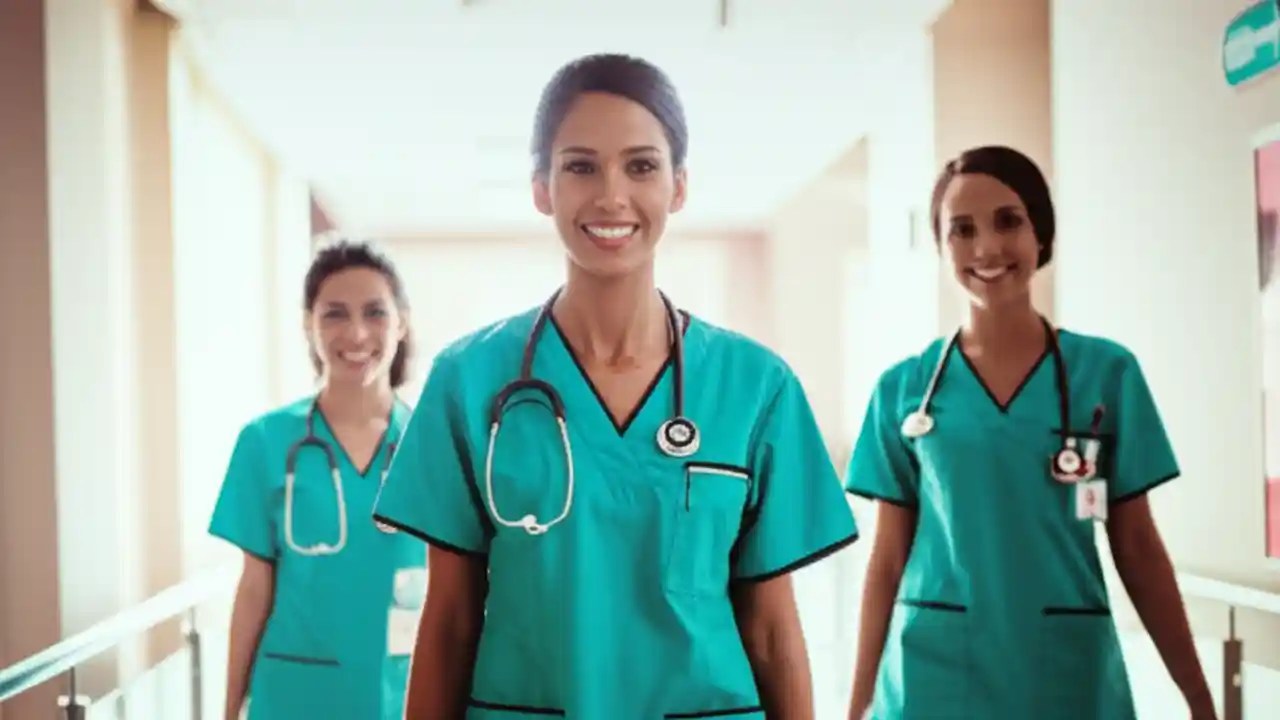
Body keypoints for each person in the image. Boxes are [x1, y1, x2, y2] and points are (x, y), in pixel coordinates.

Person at [372, 52, 859, 719]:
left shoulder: (755, 387)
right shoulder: (469, 381)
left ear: (678, 186)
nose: (611, 195)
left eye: (641, 166)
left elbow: (772, 631)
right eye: (580, 166)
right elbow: (450, 620)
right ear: (541, 187)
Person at [843, 145, 1216, 720]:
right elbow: (887, 559)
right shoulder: (904, 388)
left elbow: (1138, 547)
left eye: (1008, 221)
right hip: (933, 680)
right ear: (941, 246)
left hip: (1064, 677)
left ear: (1041, 233)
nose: (986, 248)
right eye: (962, 230)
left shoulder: (1106, 375)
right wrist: (856, 706)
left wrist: (1199, 699)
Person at [209, 239, 427, 720]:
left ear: (401, 322)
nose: (356, 333)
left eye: (375, 312)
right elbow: (255, 589)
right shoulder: (265, 442)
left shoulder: (432, 445)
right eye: (334, 314)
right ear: (309, 324)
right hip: (293, 696)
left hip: (400, 694)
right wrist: (228, 710)